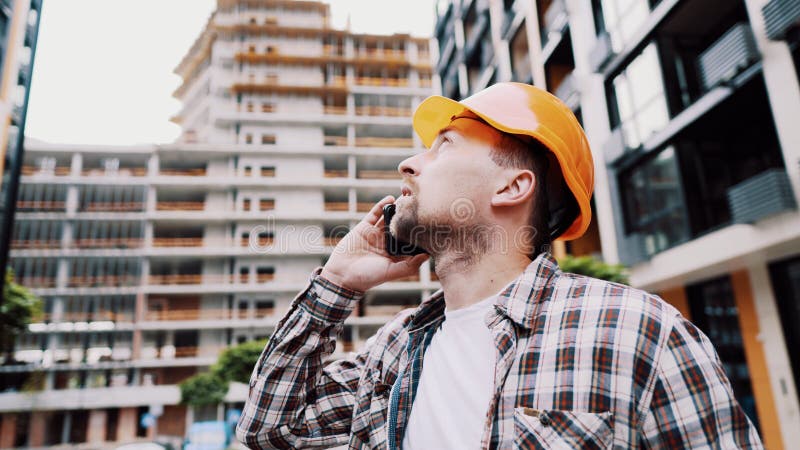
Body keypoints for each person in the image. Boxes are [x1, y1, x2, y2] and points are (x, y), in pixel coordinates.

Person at [236, 82, 763, 449]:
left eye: (444, 145)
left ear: (512, 187)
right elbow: (270, 430)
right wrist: (336, 284)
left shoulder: (637, 332)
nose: (409, 163)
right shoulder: (393, 352)